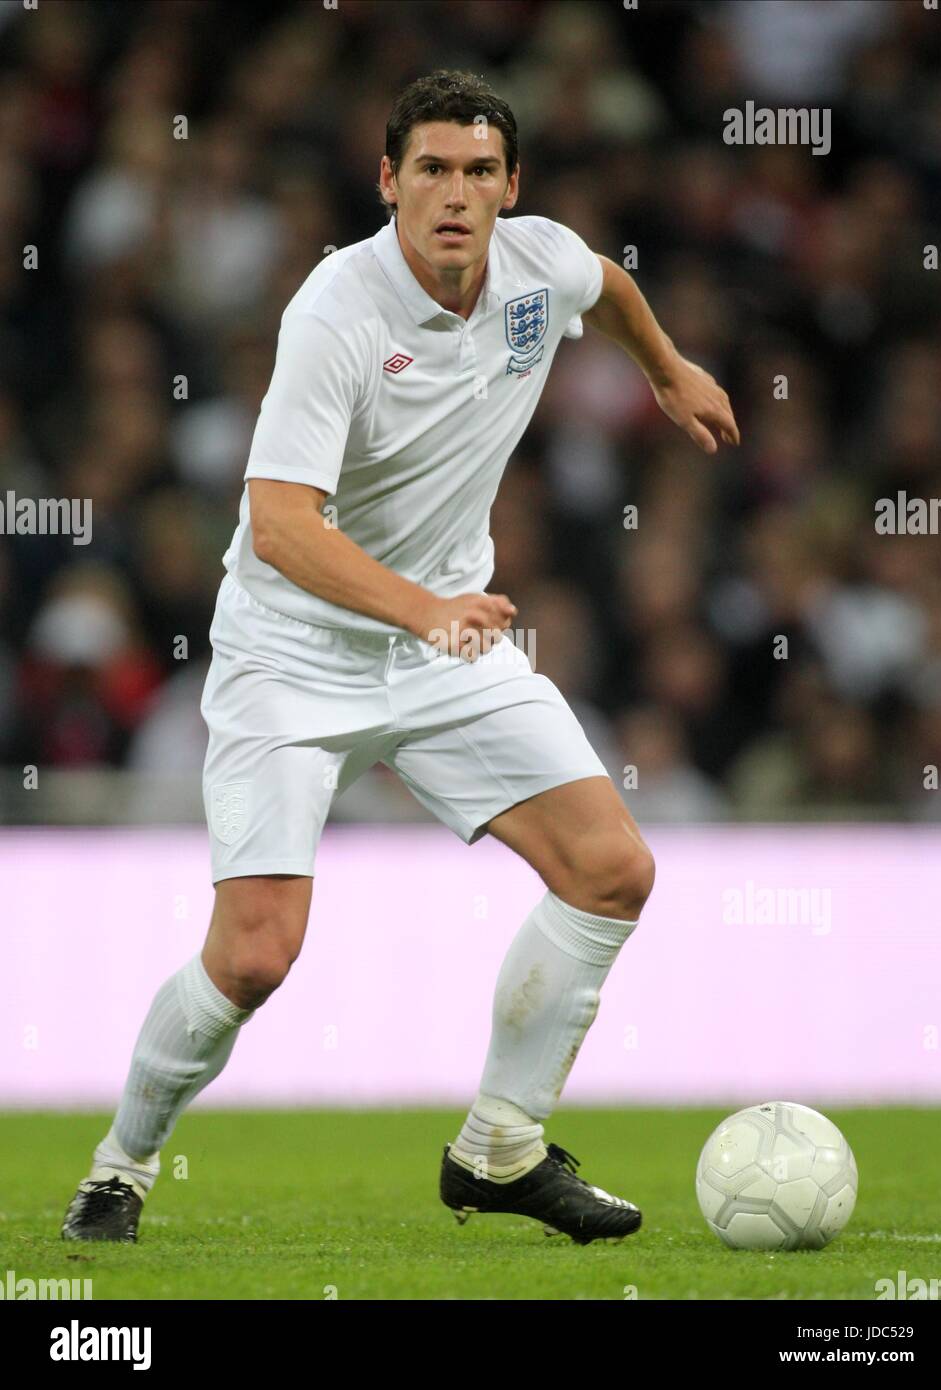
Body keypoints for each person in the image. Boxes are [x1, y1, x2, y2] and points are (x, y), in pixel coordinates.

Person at [63, 70, 738, 1247]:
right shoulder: (339, 308)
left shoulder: (541, 265)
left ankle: (500, 1147)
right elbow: (279, 523)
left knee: (610, 868)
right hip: (295, 653)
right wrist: (424, 611)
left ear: (510, 188)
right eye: (430, 168)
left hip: (444, 642)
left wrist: (664, 368)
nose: (456, 195)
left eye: (480, 172)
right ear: (387, 181)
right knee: (257, 955)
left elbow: (610, 285)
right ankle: (121, 1163)